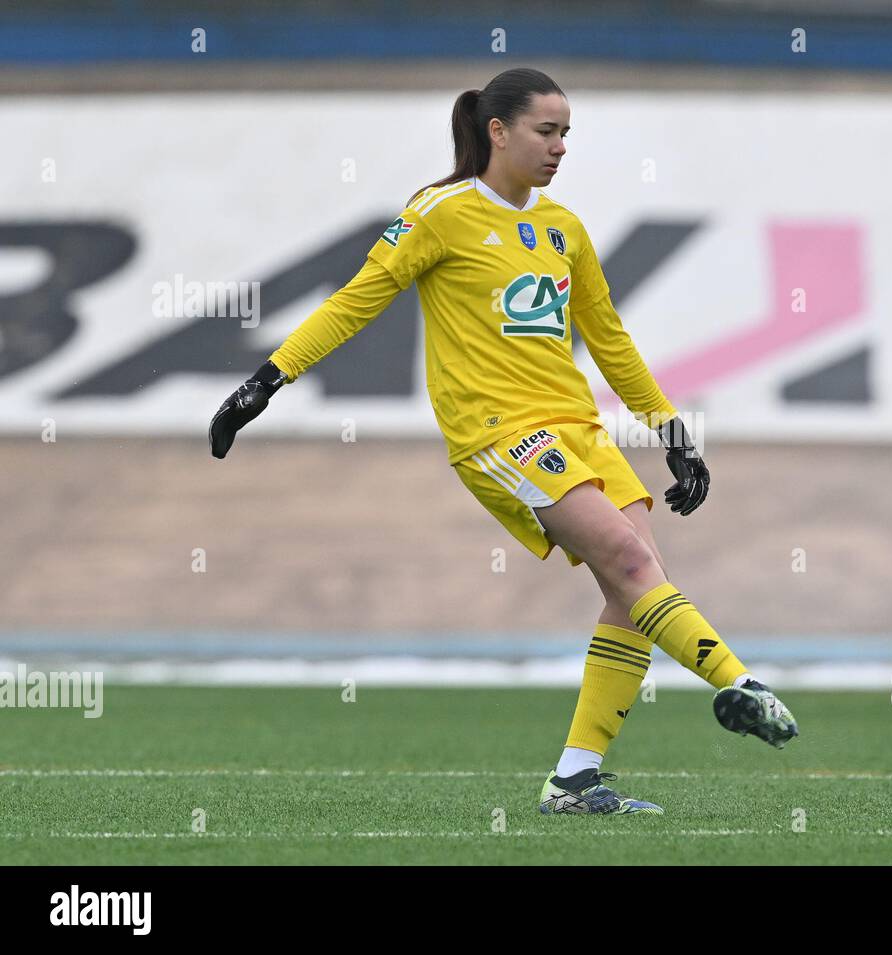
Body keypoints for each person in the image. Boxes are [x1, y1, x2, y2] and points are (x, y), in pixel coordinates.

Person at [208, 67, 797, 816]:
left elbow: (607, 338)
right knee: (627, 559)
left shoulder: (563, 228)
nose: (558, 148)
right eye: (545, 132)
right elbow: (357, 301)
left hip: (579, 425)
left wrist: (672, 431)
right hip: (496, 432)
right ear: (498, 131)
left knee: (632, 585)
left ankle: (574, 780)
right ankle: (740, 683)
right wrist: (267, 379)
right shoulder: (440, 213)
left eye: (566, 135)